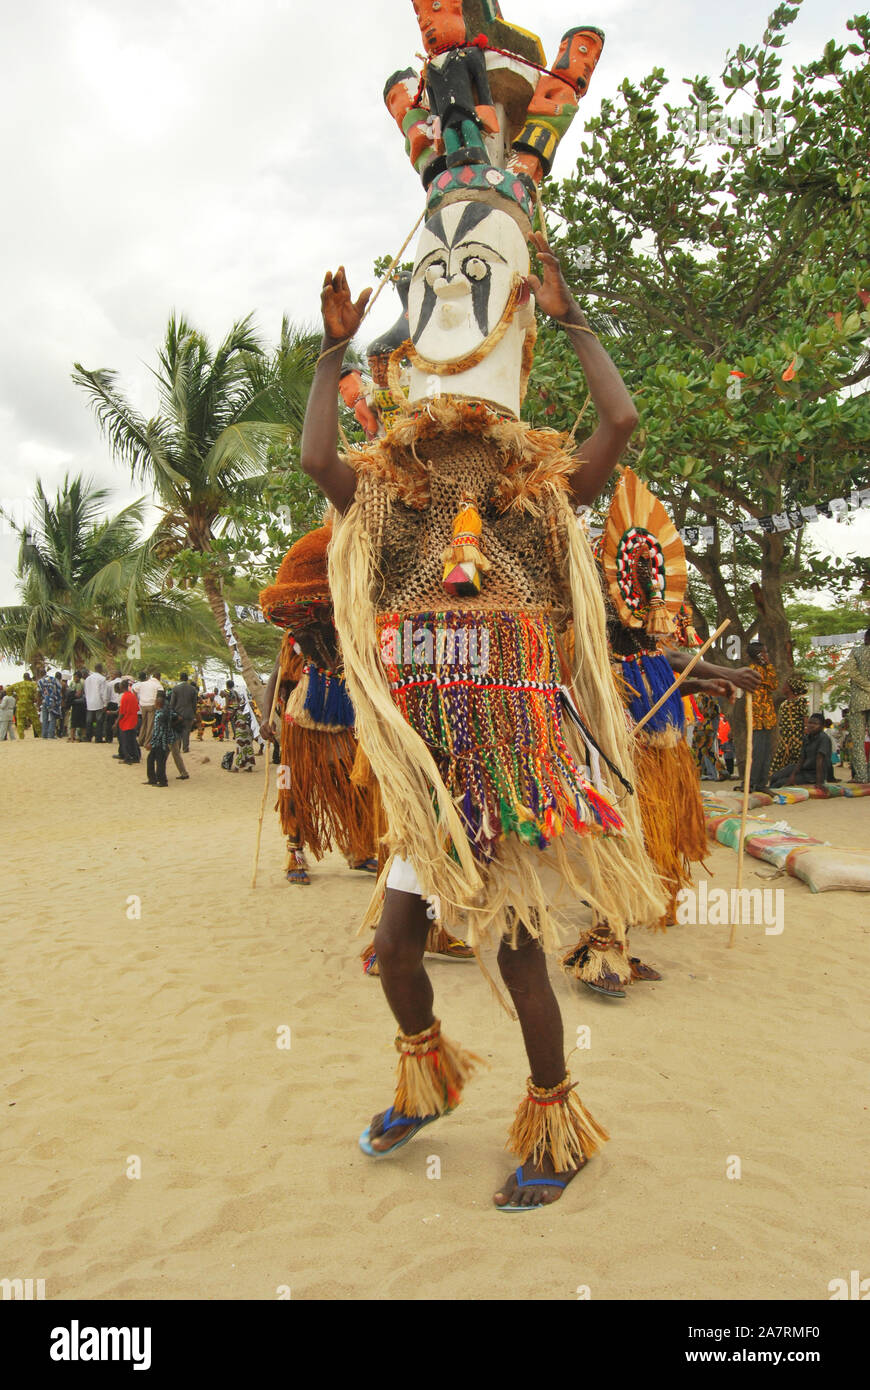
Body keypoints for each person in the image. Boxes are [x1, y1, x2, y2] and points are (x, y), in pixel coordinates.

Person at [301, 183, 665, 1205]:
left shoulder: (535, 495)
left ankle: (557, 1120)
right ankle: (429, 1074)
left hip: (505, 760)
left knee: (513, 957)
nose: (456, 465)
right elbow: (317, 455)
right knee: (397, 950)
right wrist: (333, 354)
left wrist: (574, 317)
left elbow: (622, 417)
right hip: (432, 767)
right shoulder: (392, 498)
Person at [746, 641, 792, 792]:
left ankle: (762, 783)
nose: (768, 655)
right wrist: (767, 666)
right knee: (758, 752)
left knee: (766, 753)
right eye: (765, 653)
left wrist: (768, 665)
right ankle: (752, 783)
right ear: (759, 655)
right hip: (757, 717)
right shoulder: (752, 670)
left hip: (767, 716)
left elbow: (773, 685)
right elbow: (771, 683)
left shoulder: (765, 669)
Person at [835, 628, 870, 782]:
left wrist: (867, 686)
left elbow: (852, 673)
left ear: (865, 637)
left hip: (858, 701)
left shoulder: (856, 652)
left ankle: (861, 776)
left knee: (858, 741)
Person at [770, 713, 833, 789]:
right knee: (774, 777)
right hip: (803, 769)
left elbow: (820, 760)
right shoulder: (807, 738)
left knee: (780, 783)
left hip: (813, 774)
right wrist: (793, 775)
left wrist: (819, 782)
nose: (811, 726)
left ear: (822, 726)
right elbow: (802, 758)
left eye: (815, 724)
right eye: (810, 723)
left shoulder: (823, 739)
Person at [144, 690, 177, 786]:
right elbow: (176, 717)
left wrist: (151, 742)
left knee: (158, 761)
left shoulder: (160, 715)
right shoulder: (166, 711)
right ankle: (153, 779)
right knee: (155, 760)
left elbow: (158, 731)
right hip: (164, 740)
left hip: (159, 742)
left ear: (158, 703)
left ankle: (162, 781)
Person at [169, 672, 198, 752]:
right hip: (189, 714)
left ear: (180, 678)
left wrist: (172, 714)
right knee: (186, 731)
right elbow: (194, 704)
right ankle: (185, 748)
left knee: (178, 731)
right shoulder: (193, 689)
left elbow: (172, 703)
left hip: (178, 714)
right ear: (187, 679)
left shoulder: (175, 688)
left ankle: (177, 748)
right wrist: (193, 713)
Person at [136, 670, 164, 748]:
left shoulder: (143, 683)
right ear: (159, 677)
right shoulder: (158, 685)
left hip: (142, 705)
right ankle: (147, 742)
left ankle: (140, 741)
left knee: (143, 723)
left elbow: (134, 690)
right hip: (152, 705)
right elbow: (161, 695)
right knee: (150, 725)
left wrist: (137, 700)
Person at [116, 680, 141, 763]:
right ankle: (136, 757)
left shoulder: (124, 697)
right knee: (133, 740)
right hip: (134, 720)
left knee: (125, 741)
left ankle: (127, 758)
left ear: (121, 687)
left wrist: (116, 722)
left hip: (126, 722)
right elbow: (137, 708)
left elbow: (122, 712)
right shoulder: (133, 696)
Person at [83, 663, 109, 742]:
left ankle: (88, 737)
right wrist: (105, 703)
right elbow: (103, 692)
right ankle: (98, 738)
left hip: (89, 702)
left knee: (89, 721)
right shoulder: (102, 679)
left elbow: (86, 690)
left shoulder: (88, 679)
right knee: (99, 721)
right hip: (98, 702)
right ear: (100, 669)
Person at [10, 673, 40, 737]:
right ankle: (40, 734)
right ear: (29, 677)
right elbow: (38, 691)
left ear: (23, 677)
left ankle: (21, 736)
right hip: (30, 704)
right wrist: (34, 698)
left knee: (20, 721)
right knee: (35, 721)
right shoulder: (33, 684)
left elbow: (8, 689)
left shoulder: (18, 684)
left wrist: (15, 696)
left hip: (21, 704)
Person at [37, 669, 64, 739]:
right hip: (52, 701)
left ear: (40, 674)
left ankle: (44, 735)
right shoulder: (53, 679)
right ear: (46, 673)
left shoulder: (40, 682)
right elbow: (60, 688)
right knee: (53, 718)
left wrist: (38, 705)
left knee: (44, 719)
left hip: (44, 701)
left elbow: (38, 694)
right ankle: (51, 735)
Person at [68, 670, 88, 742]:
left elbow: (80, 693)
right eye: (74, 677)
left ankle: (82, 737)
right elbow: (70, 692)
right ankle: (72, 737)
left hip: (81, 704)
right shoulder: (72, 683)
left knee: (81, 721)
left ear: (79, 677)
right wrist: (74, 694)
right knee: (73, 721)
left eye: (76, 677)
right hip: (75, 704)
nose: (74, 678)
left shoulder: (82, 682)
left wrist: (74, 695)